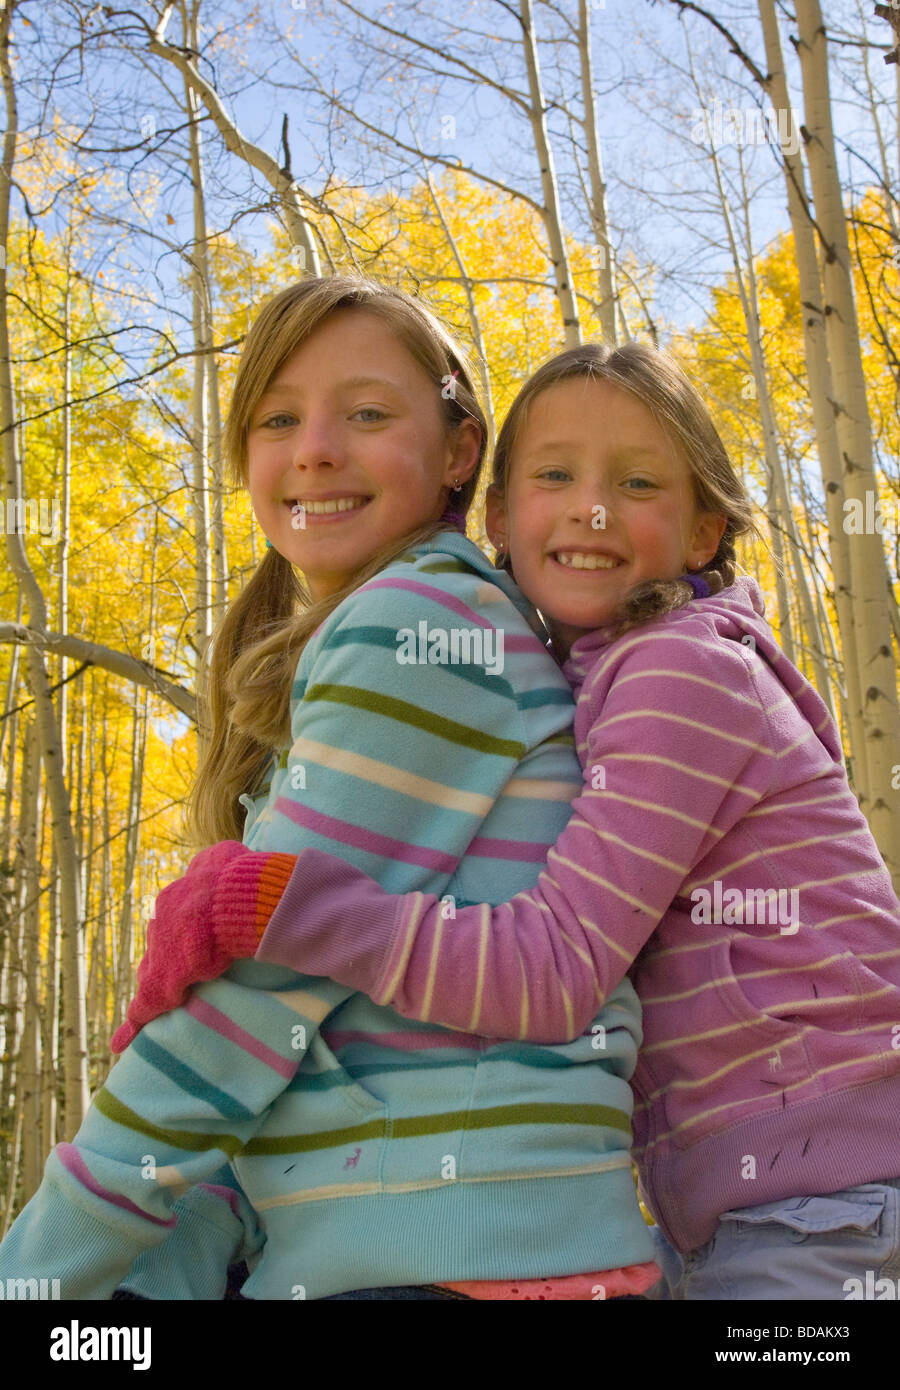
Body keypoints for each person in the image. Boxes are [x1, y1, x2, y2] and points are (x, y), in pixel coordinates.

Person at [123, 340, 900, 1301]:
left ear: (705, 531)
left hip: (828, 1201)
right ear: (497, 515)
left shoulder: (679, 671)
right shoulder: (592, 685)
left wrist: (284, 905)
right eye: (555, 476)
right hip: (755, 1203)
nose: (592, 509)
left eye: (638, 483)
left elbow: (557, 972)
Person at [0, 281, 659, 1301]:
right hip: (433, 1254)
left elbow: (249, 1009)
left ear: (459, 451)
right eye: (278, 420)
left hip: (451, 1261)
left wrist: (39, 1274)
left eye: (367, 413)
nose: (314, 449)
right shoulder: (407, 627)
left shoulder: (420, 626)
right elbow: (290, 1059)